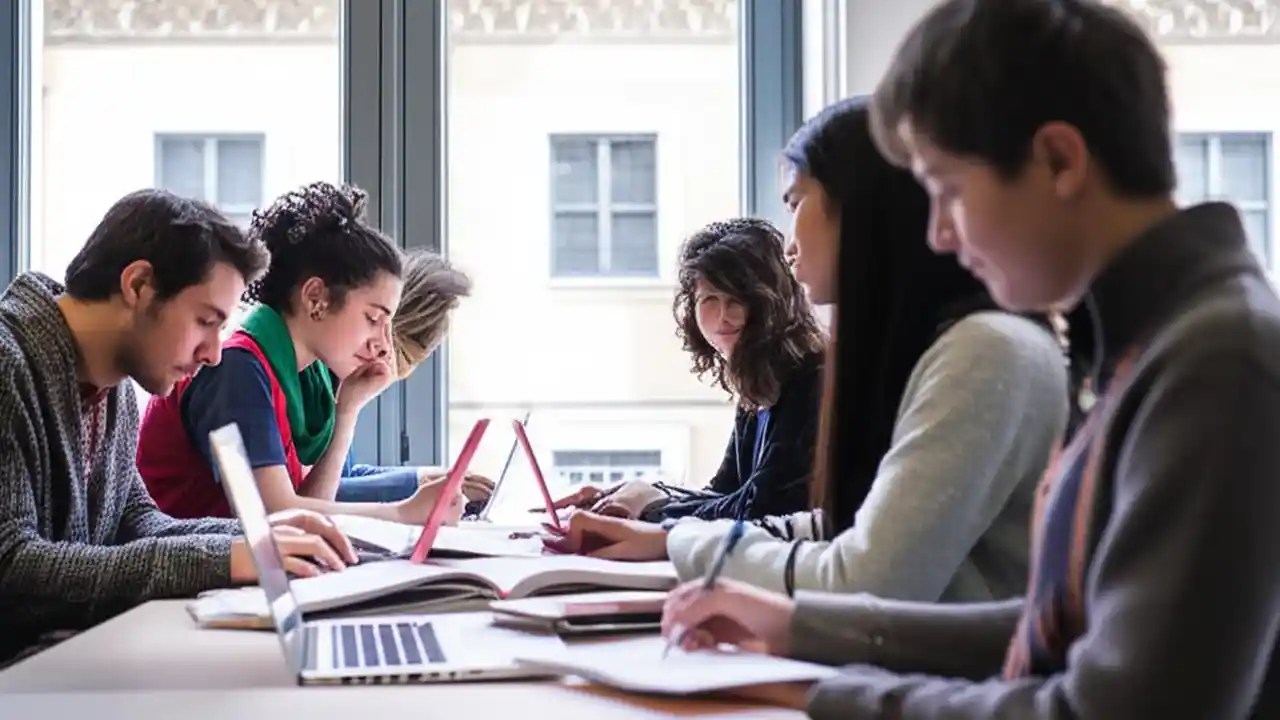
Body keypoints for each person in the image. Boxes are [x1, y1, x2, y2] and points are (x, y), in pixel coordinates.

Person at [661, 1, 1280, 717]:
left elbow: (1113, 705)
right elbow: (1064, 625)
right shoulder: (1150, 339)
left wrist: (826, 692)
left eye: (947, 191)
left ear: (1058, 160)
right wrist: (799, 626)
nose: (939, 235)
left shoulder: (1219, 359)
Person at [546, 97, 1069, 607]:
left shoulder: (982, 355)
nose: (789, 243)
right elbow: (840, 524)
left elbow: (865, 577)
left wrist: (675, 537)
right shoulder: (940, 351)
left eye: (794, 203)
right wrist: (664, 539)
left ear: (862, 206)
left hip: (954, 681)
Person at [0, 190, 356, 665]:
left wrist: (258, 536)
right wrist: (228, 558)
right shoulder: (8, 367)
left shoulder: (115, 390)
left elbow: (139, 525)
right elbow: (12, 567)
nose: (212, 352)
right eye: (205, 321)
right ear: (140, 284)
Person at [137, 182, 463, 525]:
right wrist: (402, 513)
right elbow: (275, 514)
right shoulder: (237, 368)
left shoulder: (298, 375)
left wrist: (348, 409)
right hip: (195, 573)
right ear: (315, 299)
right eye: (373, 318)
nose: (384, 343)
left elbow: (309, 517)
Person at [542, 218, 825, 522]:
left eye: (738, 301)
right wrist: (638, 493)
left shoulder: (809, 378)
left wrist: (653, 506)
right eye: (710, 299)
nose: (723, 317)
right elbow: (724, 491)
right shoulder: (758, 377)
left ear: (772, 304)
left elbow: (760, 507)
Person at [333, 247, 493, 507]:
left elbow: (342, 475)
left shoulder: (343, 385)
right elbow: (317, 495)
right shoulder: (326, 380)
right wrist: (420, 486)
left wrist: (427, 478)